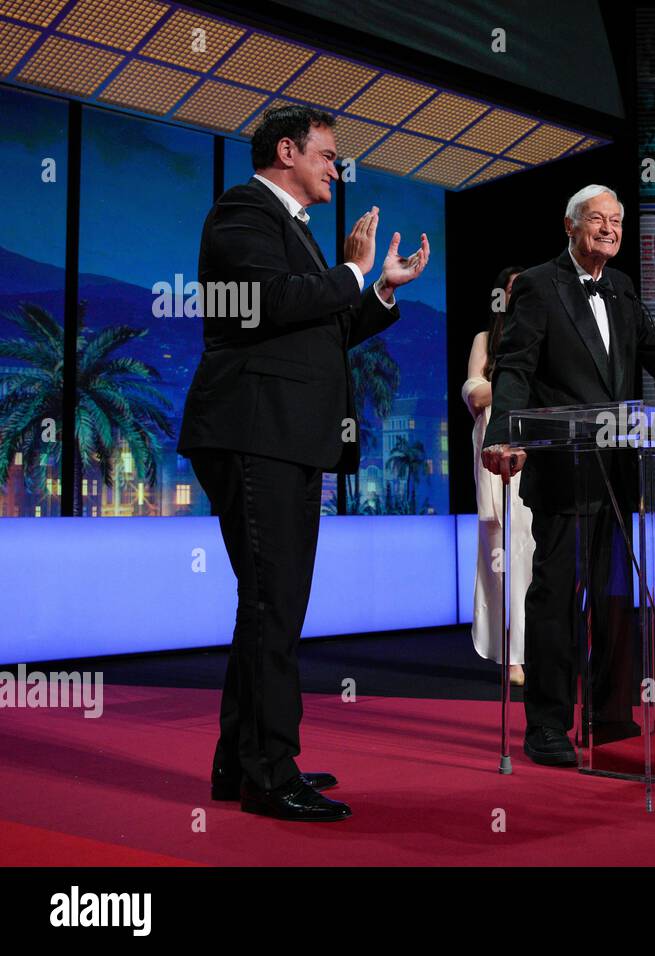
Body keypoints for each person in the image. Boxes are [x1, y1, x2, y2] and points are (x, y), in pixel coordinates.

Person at [177, 105, 430, 821]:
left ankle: (243, 763)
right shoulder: (241, 211)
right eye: (326, 155)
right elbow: (265, 305)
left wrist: (379, 288)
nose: (335, 168)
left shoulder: (290, 229)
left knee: (269, 603)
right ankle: (267, 771)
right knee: (273, 603)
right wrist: (350, 268)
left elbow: (323, 324)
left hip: (286, 436)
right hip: (257, 432)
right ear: (286, 151)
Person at [480, 185, 655, 768]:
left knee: (613, 601)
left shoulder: (620, 287)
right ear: (570, 226)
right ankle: (546, 726)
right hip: (566, 472)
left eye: (616, 221)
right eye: (598, 220)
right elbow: (514, 368)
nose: (610, 229)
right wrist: (502, 433)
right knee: (556, 602)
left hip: (619, 475)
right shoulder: (539, 284)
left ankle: (608, 712)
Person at [463, 266, 531, 686]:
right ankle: (511, 655)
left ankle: (540, 646)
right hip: (496, 452)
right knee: (503, 558)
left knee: (534, 555)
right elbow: (474, 392)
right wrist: (512, 375)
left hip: (537, 449)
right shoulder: (486, 341)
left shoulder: (546, 339)